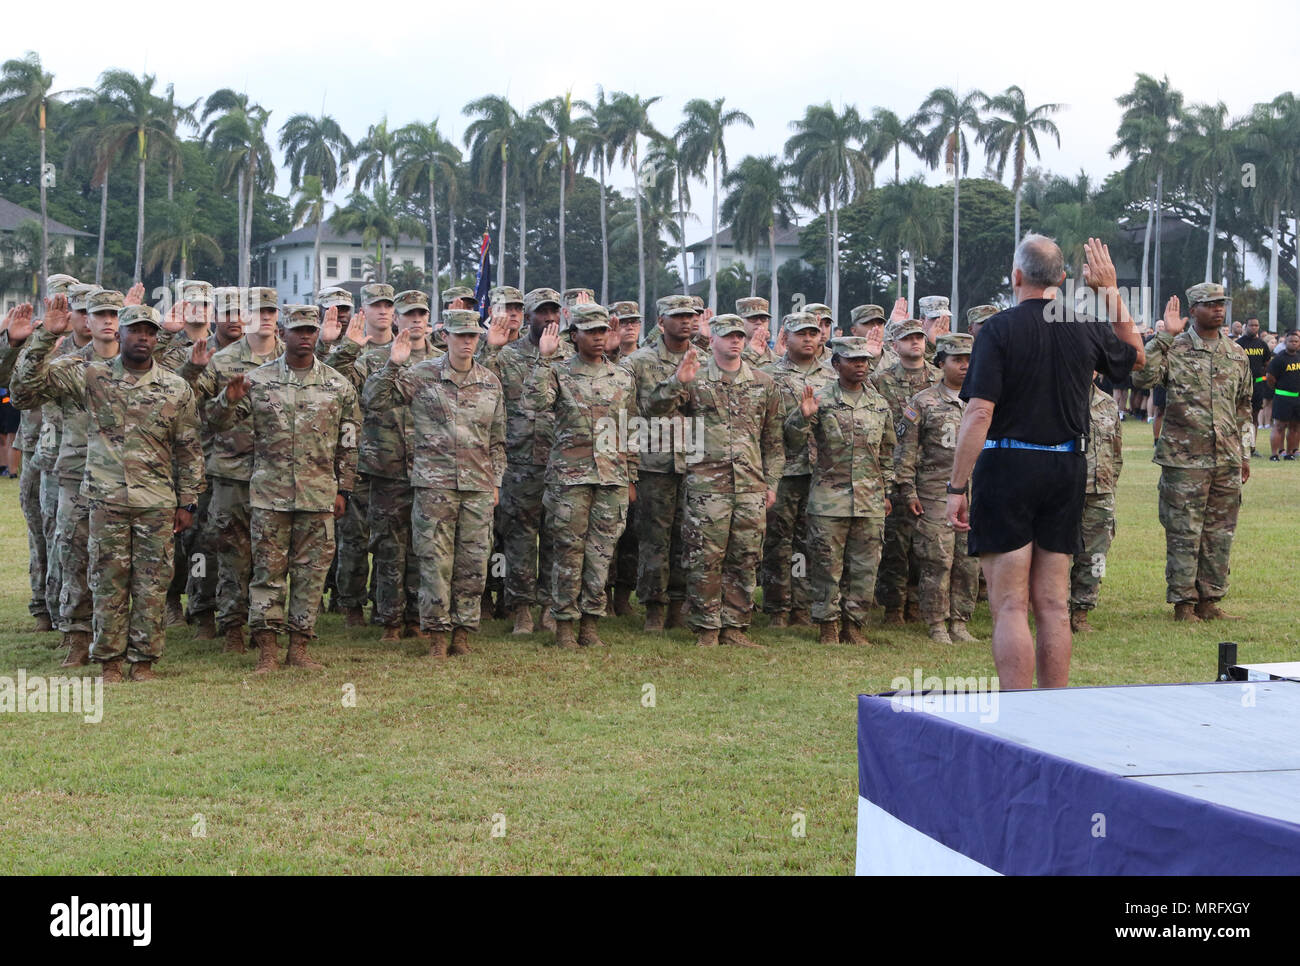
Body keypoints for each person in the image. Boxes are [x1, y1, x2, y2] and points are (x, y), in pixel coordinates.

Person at [946, 235, 1143, 689]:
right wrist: (1110, 292)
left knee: (1010, 604)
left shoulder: (996, 330)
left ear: (1016, 277)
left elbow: (979, 412)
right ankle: (1054, 709)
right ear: (1064, 279)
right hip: (1066, 467)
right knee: (1054, 604)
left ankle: (1019, 712)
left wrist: (957, 488)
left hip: (1008, 467)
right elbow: (1137, 356)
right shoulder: (1084, 325)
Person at [13, 298, 205, 682]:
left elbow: (188, 448)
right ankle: (110, 662)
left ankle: (144, 661)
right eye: (135, 330)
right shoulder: (91, 377)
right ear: (120, 334)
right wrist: (44, 337)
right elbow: (24, 391)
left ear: (156, 340)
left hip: (156, 503)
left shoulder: (175, 387)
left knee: (151, 584)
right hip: (106, 501)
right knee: (107, 583)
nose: (143, 338)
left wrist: (188, 502)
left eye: (150, 333)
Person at [210, 305, 360, 671]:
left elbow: (349, 443)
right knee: (267, 575)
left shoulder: (337, 385)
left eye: (311, 331)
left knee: (310, 577)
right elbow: (219, 424)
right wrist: (227, 400)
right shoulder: (257, 381)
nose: (306, 337)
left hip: (318, 496)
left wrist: (344, 490)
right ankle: (267, 651)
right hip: (269, 496)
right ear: (283, 333)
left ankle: (300, 649)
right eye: (298, 331)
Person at [368, 310, 505, 657]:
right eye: (460, 335)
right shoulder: (421, 374)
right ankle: (436, 636)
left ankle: (463, 633)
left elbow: (498, 441)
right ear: (445, 336)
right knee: (434, 563)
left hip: (476, 486)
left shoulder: (490, 382)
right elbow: (375, 401)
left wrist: (495, 483)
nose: (467, 342)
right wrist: (393, 365)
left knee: (473, 563)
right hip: (434, 487)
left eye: (473, 336)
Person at [647, 314, 784, 648]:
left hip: (750, 487)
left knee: (745, 557)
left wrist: (772, 483)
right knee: (704, 558)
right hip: (708, 486)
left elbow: (774, 441)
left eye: (739, 335)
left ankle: (735, 626)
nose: (735, 341)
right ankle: (706, 627)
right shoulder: (695, 378)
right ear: (713, 341)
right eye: (727, 336)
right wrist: (677, 382)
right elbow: (655, 411)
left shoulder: (763, 383)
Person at [1133, 286, 1252, 621]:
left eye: (1221, 304)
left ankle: (1209, 600)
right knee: (1184, 531)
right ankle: (1184, 603)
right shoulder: (1176, 348)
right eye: (1210, 305)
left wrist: (1243, 453)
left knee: (1220, 531)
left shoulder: (1235, 353)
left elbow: (1243, 406)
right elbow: (1141, 376)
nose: (1218, 310)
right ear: (1193, 308)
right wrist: (1163, 337)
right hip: (1184, 459)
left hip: (1225, 458)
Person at [332, 290, 444, 641]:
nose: (415, 320)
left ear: (427, 320)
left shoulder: (443, 361)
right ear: (398, 319)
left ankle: (416, 617)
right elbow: (344, 386)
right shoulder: (376, 359)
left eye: (421, 314)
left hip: (430, 468)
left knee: (423, 548)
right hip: (385, 467)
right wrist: (391, 363)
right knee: (387, 548)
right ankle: (389, 620)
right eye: (408, 314)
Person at [180, 287, 284, 654]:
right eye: (256, 310)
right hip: (224, 472)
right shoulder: (221, 361)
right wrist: (194, 368)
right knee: (213, 549)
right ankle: (212, 616)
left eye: (270, 310)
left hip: (275, 475)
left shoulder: (290, 359)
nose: (261, 317)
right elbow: (186, 400)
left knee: (266, 553)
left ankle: (262, 624)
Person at [526, 304, 637, 647]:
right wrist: (543, 360)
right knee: (567, 554)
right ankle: (563, 626)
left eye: (603, 331)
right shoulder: (558, 372)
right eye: (591, 331)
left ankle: (590, 625)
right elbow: (535, 402)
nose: (599, 337)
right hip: (569, 480)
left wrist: (631, 476)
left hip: (612, 479)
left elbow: (630, 429)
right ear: (574, 337)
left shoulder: (622, 376)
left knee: (601, 555)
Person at [23, 288, 121, 667]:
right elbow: (21, 392)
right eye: (99, 314)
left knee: (117, 563)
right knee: (72, 554)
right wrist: (41, 337)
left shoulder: (138, 363)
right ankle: (76, 636)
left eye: (115, 313)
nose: (107, 321)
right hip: (76, 475)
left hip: (124, 478)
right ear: (87, 320)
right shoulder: (68, 366)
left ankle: (114, 636)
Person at [786, 335, 891, 645]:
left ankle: (854, 626)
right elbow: (792, 441)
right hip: (829, 499)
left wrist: (887, 493)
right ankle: (828, 626)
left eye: (864, 360)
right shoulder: (820, 399)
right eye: (853, 360)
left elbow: (887, 453)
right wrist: (801, 417)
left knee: (864, 567)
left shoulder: (879, 404)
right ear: (836, 364)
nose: (860, 365)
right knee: (826, 566)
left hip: (869, 499)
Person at [477, 288, 569, 634]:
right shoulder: (507, 355)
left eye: (553, 313)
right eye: (541, 313)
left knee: (557, 538)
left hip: (559, 463)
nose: (548, 319)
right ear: (528, 317)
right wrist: (491, 346)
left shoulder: (568, 355)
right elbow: (480, 385)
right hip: (518, 462)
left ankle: (548, 607)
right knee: (519, 540)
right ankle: (521, 611)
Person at [897, 333, 981, 645]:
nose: (964, 366)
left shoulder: (983, 401)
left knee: (968, 561)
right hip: (935, 491)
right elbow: (905, 450)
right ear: (940, 363)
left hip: (975, 492)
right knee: (938, 559)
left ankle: (960, 621)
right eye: (956, 359)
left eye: (969, 360)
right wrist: (908, 490)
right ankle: (936, 623)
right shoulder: (923, 402)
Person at [621, 295, 699, 631]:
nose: (686, 321)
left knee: (688, 536)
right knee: (654, 537)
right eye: (678, 316)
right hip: (654, 463)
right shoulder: (639, 362)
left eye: (691, 315)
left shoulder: (707, 361)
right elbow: (641, 410)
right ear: (661, 320)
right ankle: (653, 605)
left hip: (696, 463)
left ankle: (679, 606)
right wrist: (676, 383)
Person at [760, 312, 834, 627]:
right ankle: (777, 607)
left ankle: (802, 606)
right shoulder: (767, 376)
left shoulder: (832, 376)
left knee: (809, 543)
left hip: (820, 474)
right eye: (800, 334)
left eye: (813, 333)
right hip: (785, 470)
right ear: (785, 337)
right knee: (778, 542)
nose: (808, 339)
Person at [328, 283, 395, 627]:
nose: (383, 311)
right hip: (359, 461)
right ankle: (351, 604)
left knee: (390, 541)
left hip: (397, 465)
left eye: (388, 305)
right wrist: (345, 348)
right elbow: (329, 383)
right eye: (376, 305)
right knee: (352, 538)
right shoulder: (352, 350)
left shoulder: (409, 351)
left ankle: (386, 606)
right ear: (363, 311)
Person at [869, 318, 939, 623]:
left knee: (928, 543)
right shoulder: (881, 380)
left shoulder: (938, 379)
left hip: (933, 470)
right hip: (895, 470)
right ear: (894, 346)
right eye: (908, 338)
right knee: (896, 542)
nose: (915, 342)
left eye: (920, 338)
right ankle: (894, 606)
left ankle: (917, 603)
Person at [1068, 379, 1124, 632]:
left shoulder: (1108, 403)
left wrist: (1110, 483)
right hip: (1062, 490)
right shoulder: (1052, 395)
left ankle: (1081, 611)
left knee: (1096, 554)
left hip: (1100, 491)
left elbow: (1116, 450)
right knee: (1055, 555)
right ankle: (1055, 609)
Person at [605, 300, 643, 615]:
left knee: (632, 534)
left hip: (640, 453)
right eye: (623, 321)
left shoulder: (645, 358)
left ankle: (623, 596)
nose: (629, 326)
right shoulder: (609, 359)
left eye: (634, 321)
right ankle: (601, 593)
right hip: (606, 457)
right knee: (607, 535)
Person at [1265, 329, 1300, 459]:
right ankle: (1275, 454)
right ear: (1286, 342)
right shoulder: (1279, 359)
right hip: (1282, 397)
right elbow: (1270, 377)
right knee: (1279, 426)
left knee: (1295, 426)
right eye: (1291, 341)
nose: (1294, 343)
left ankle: (1290, 453)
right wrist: (1277, 388)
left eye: (1296, 341)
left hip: (1297, 397)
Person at [1237, 317, 1270, 454]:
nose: (1254, 328)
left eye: (1256, 325)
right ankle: (1240, 446)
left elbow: (1267, 362)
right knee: (1241, 416)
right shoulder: (1239, 344)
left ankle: (1251, 446)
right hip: (1242, 386)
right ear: (1246, 326)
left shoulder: (1262, 344)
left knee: (1254, 416)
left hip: (1257, 384)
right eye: (1251, 325)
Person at [918, 296, 952, 365]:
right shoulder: (914, 343)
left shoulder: (954, 342)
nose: (940, 321)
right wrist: (932, 345)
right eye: (934, 318)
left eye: (944, 317)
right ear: (922, 320)